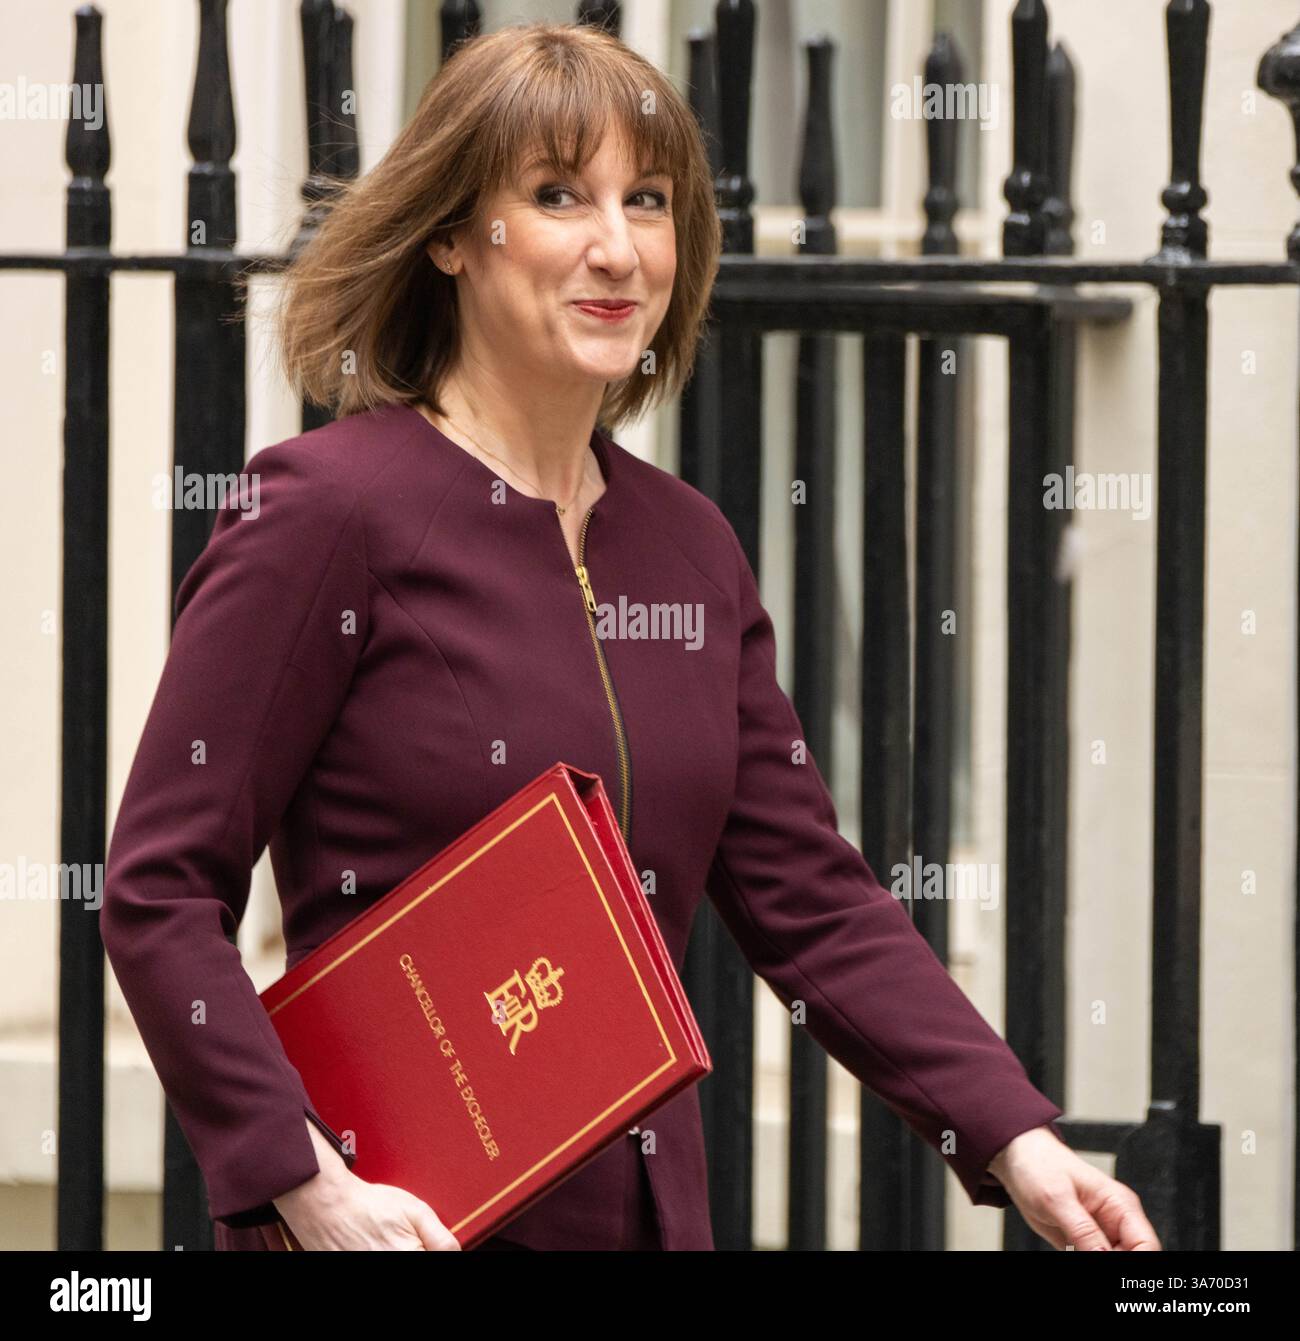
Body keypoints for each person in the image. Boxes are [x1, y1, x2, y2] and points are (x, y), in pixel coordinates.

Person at [100, 20, 1159, 1253]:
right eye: (558, 196)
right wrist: (299, 1178)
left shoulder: (688, 546)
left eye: (646, 201)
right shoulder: (323, 513)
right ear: (450, 235)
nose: (616, 247)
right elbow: (158, 888)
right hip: (394, 1227)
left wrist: (1013, 1138)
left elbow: (811, 897)